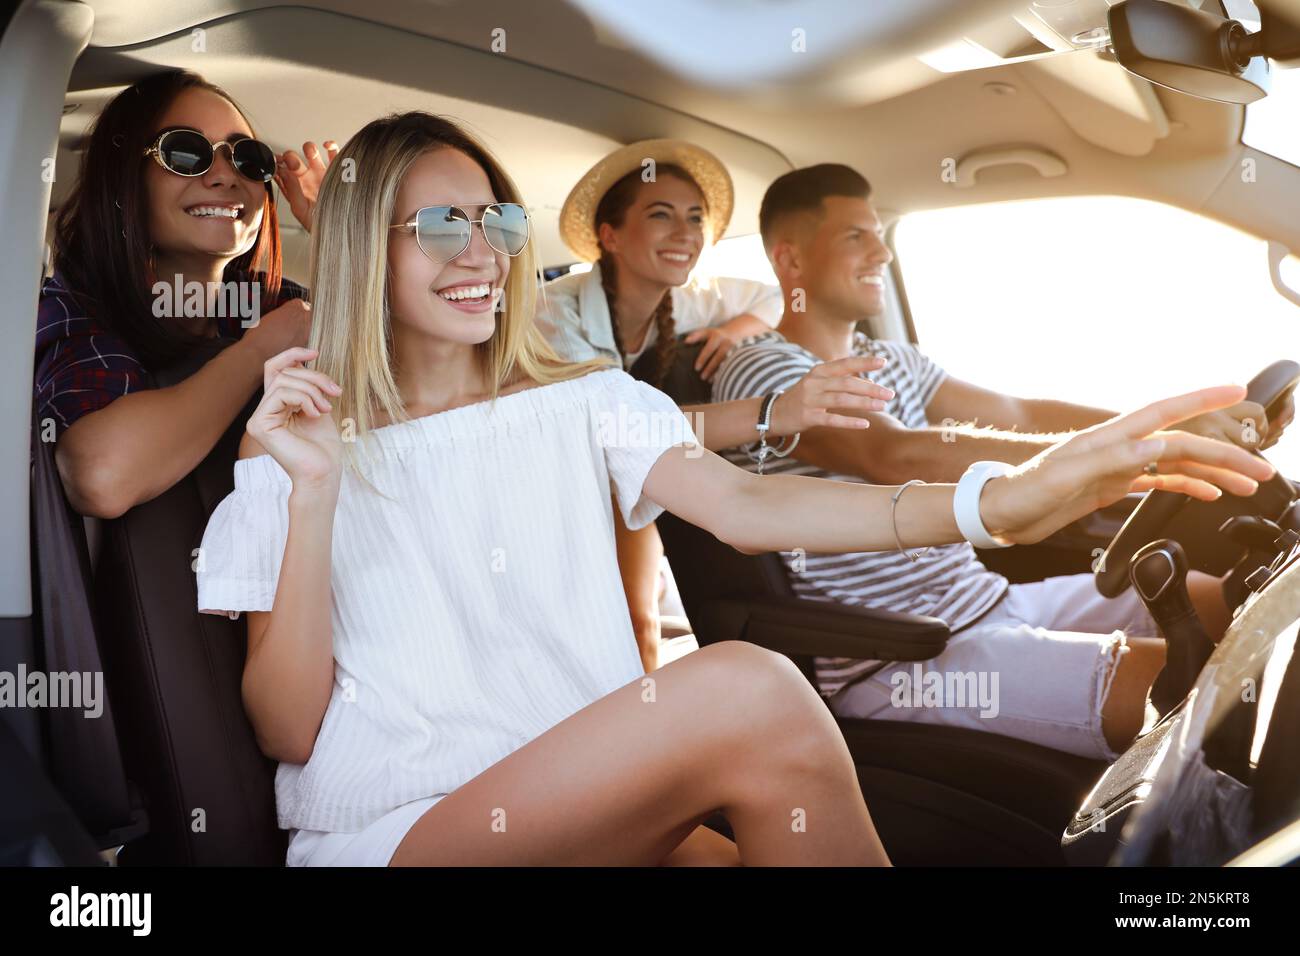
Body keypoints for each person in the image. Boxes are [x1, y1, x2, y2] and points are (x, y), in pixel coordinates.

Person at [194, 111, 1272, 867]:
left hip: (592, 808)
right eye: (440, 224)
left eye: (496, 220)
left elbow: (756, 506)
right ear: (360, 243)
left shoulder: (583, 400)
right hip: (401, 828)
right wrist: (318, 497)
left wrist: (1001, 498)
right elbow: (290, 729)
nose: (480, 249)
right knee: (749, 688)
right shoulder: (290, 443)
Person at [712, 163, 1293, 759]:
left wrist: (1169, 427)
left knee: (1225, 603)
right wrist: (1134, 452)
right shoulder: (763, 369)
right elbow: (890, 452)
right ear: (790, 262)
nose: (881, 251)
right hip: (898, 655)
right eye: (855, 236)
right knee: (1196, 685)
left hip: (984, 601)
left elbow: (1016, 411)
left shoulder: (890, 357)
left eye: (879, 233)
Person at [539, 141, 891, 671]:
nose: (685, 233)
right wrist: (778, 410)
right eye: (661, 215)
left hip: (619, 480)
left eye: (695, 218)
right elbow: (616, 431)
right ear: (609, 236)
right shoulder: (554, 318)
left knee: (639, 626)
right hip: (552, 480)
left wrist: (733, 331)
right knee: (593, 630)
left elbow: (772, 299)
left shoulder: (691, 300)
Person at [35, 69, 335, 517]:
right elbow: (102, 475)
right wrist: (258, 354)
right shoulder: (72, 308)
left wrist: (339, 240)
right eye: (185, 152)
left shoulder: (270, 302)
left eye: (247, 158)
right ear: (125, 181)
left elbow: (425, 381)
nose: (225, 175)